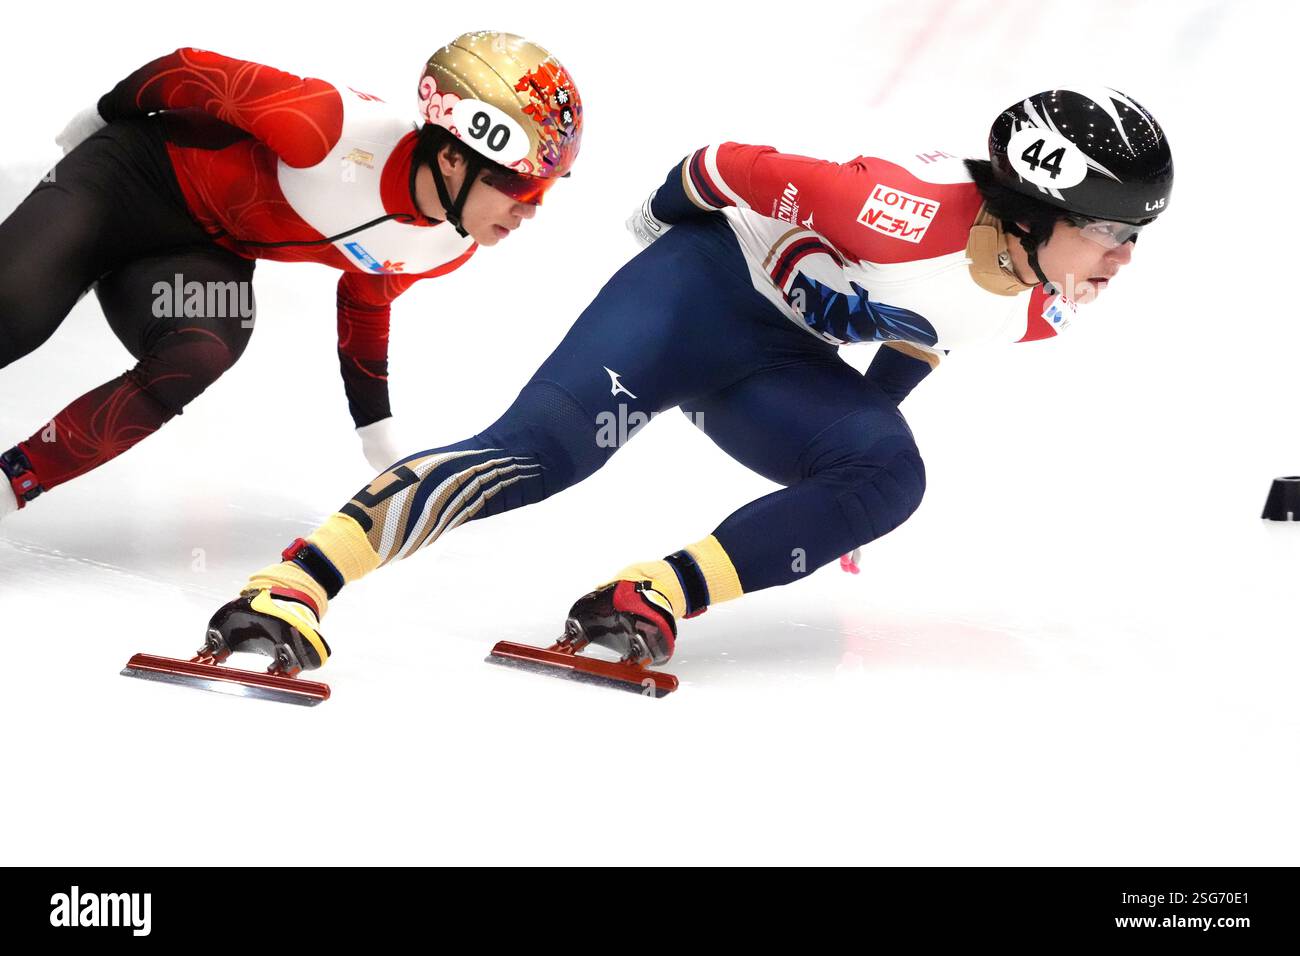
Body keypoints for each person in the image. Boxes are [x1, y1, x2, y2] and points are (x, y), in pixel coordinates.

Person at [201, 88, 1173, 678]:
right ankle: (293, 583)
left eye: (1136, 235)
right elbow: (711, 166)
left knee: (887, 476)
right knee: (536, 454)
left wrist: (850, 458)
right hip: (694, 294)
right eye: (1113, 231)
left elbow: (929, 334)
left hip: (775, 361)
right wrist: (663, 255)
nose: (1122, 260)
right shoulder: (892, 210)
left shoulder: (1047, 304)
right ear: (1032, 208)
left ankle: (645, 594)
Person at [0, 33, 583, 521]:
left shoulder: (444, 246)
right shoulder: (328, 127)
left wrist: (376, 431)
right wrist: (95, 118)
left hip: (197, 249)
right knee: (14, 315)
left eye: (548, 189)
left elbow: (364, 301)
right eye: (521, 185)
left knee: (201, 350)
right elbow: (190, 71)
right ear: (454, 157)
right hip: (124, 181)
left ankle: (9, 487)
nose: (531, 208)